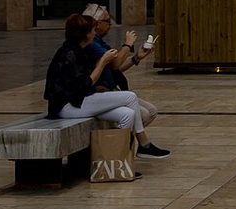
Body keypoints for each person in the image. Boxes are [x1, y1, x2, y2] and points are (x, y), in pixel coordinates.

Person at [44, 13, 168, 156]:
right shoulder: (69, 53)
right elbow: (84, 84)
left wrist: (133, 59)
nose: (94, 33)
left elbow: (103, 75)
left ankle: (115, 157)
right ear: (85, 34)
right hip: (67, 106)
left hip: (79, 100)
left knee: (127, 114)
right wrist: (103, 62)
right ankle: (144, 144)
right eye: (92, 30)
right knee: (130, 97)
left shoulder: (80, 49)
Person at [84, 4, 161, 136]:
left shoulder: (98, 42)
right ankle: (124, 141)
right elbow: (115, 64)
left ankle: (125, 141)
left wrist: (136, 58)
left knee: (151, 111)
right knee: (142, 113)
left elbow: (115, 68)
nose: (110, 25)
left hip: (110, 89)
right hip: (99, 92)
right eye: (107, 21)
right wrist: (127, 44)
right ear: (96, 24)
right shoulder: (91, 44)